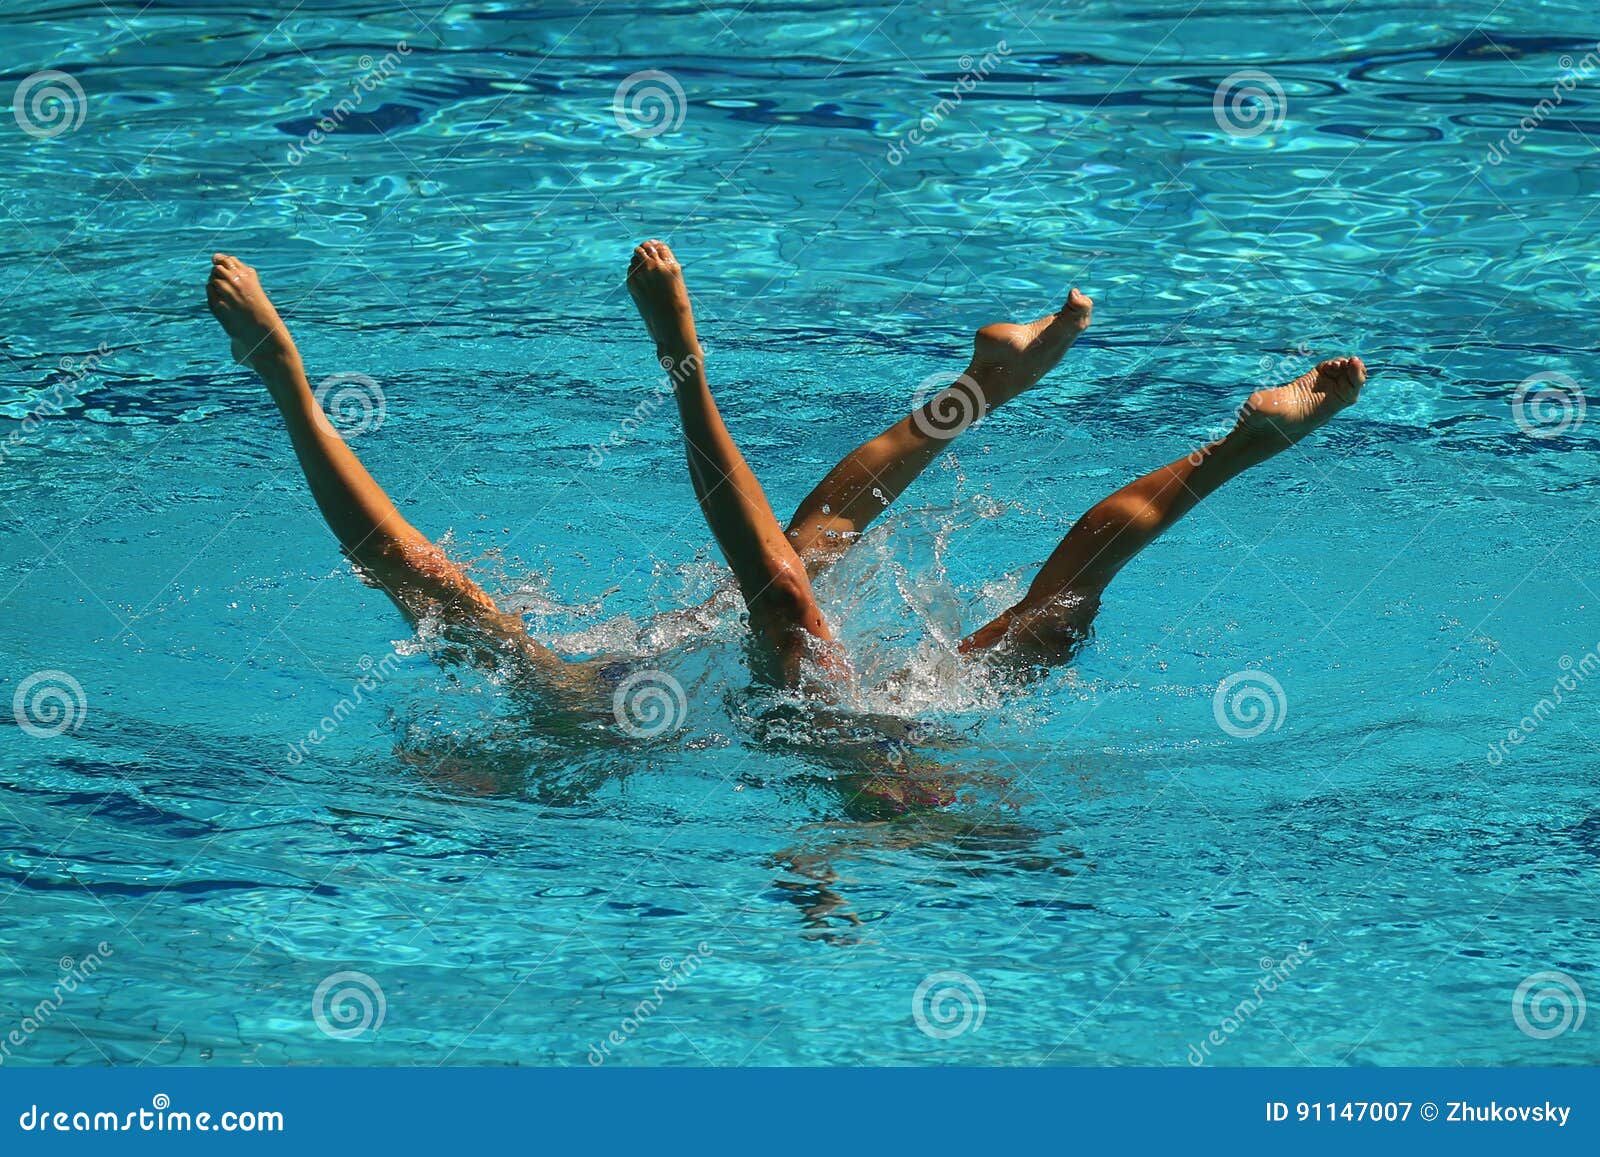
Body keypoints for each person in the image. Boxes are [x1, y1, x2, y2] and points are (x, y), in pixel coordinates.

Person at [206, 244, 1366, 707]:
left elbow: (402, 566)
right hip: (872, 733)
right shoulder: (572, 712)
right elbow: (405, 568)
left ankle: (1019, 396)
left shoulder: (568, 714)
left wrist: (287, 379)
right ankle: (1220, 443)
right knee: (841, 571)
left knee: (809, 564)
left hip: (776, 726)